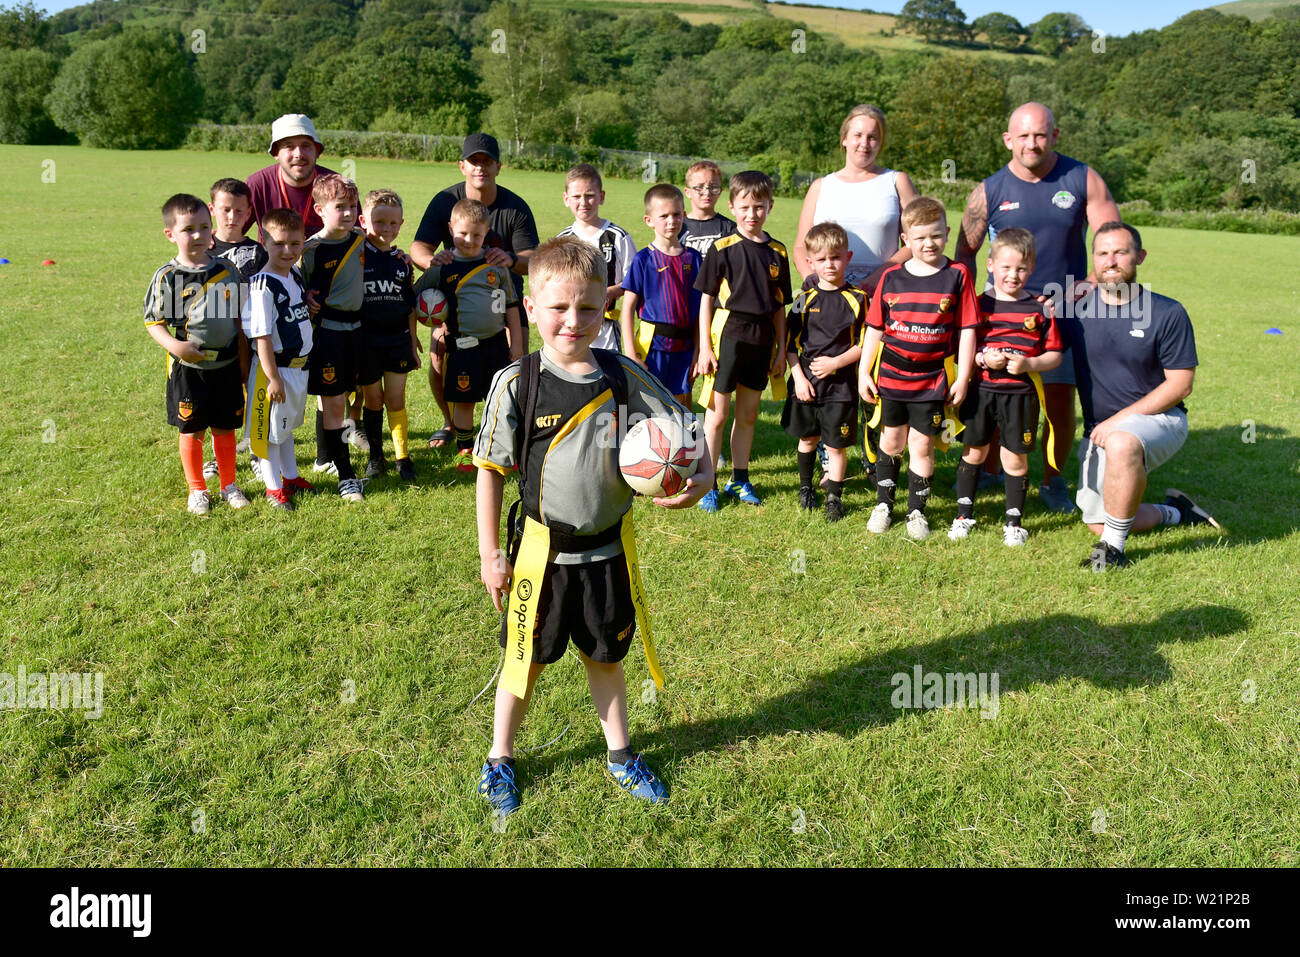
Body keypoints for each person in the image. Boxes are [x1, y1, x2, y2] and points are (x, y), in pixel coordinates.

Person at [472, 237, 713, 816]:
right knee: (523, 659)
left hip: (608, 551)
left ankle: (621, 753)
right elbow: (490, 473)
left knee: (606, 656)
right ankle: (500, 758)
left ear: (603, 308)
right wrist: (490, 554)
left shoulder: (622, 376)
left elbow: (689, 426)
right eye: (558, 308)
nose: (572, 321)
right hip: (539, 555)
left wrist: (702, 477)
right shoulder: (517, 383)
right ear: (531, 308)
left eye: (585, 308)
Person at [955, 102, 1121, 513]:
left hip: (1063, 314)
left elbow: (1114, 246)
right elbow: (964, 255)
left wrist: (1081, 288)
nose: (1032, 143)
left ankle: (1052, 481)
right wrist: (972, 306)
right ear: (1008, 140)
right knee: (994, 396)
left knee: (1060, 404)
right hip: (1001, 316)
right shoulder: (988, 190)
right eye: (1024, 135)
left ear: (1055, 136)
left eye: (1041, 134)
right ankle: (992, 470)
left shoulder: (1083, 178)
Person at [1057, 223, 1219, 570]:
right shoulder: (1077, 312)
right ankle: (1174, 512)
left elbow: (1180, 385)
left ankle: (1112, 552)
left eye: (1121, 252)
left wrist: (1118, 421)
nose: (1111, 261)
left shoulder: (1167, 312)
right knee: (1098, 522)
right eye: (1102, 253)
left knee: (1121, 443)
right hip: (1099, 430)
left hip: (1162, 420)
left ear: (1140, 257)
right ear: (1094, 261)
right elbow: (1046, 349)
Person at [794, 104, 917, 482]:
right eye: (859, 135)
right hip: (831, 296)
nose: (866, 143)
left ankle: (879, 455)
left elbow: (916, 237)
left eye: (874, 136)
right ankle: (831, 450)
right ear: (844, 138)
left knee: (878, 376)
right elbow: (801, 245)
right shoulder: (822, 185)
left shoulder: (896, 181)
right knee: (834, 374)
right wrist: (817, 283)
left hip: (883, 294)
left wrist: (879, 274)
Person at [858, 197, 977, 541]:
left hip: (932, 379)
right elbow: (875, 328)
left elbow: (968, 329)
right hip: (892, 376)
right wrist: (865, 371)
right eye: (920, 237)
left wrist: (964, 376)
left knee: (922, 446)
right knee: (891, 439)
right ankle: (883, 505)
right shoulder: (892, 277)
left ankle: (916, 512)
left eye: (937, 236)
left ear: (947, 233)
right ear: (905, 239)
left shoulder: (957, 274)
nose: (929, 244)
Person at [411, 133, 538, 450]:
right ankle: (450, 424)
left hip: (502, 301)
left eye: (487, 161)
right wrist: (434, 262)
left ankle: (505, 433)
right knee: (441, 365)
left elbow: (532, 258)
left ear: (498, 166)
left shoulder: (515, 207)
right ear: (462, 166)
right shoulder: (445, 202)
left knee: (514, 371)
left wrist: (509, 259)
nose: (480, 167)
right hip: (454, 303)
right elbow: (419, 247)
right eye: (474, 161)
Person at [949, 228, 1063, 546]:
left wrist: (1028, 364)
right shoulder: (977, 305)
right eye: (1006, 267)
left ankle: (1014, 522)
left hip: (1021, 396)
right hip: (981, 391)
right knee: (974, 452)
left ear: (1032, 269)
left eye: (1021, 269)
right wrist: (984, 359)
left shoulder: (1040, 308)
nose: (1013, 275)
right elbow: (962, 349)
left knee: (1014, 458)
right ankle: (963, 515)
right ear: (990, 265)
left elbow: (1054, 355)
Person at [144, 194, 248, 516]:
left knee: (225, 428)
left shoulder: (227, 270)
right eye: (189, 229)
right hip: (188, 369)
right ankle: (197, 489)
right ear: (170, 234)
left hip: (227, 365)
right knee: (192, 429)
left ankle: (229, 484)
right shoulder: (169, 278)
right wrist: (175, 347)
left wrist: (244, 364)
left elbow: (240, 321)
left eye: (205, 226)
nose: (200, 235)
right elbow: (154, 321)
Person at [694, 170, 791, 512]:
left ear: (770, 206)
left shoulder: (778, 251)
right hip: (729, 335)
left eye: (760, 207)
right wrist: (705, 346)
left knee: (748, 414)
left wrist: (780, 349)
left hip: (762, 340)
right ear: (732, 207)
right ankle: (708, 481)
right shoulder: (721, 248)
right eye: (746, 207)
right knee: (717, 415)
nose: (753, 214)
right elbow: (706, 298)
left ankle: (739, 477)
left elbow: (780, 305)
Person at [413, 198, 523, 473]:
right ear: (450, 229)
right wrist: (414, 333)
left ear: (487, 232)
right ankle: (465, 451)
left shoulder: (496, 265)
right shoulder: (442, 266)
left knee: (500, 400)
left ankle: (503, 449)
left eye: (477, 234)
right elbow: (416, 299)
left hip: (497, 345)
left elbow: (511, 306)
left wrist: (517, 344)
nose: (469, 239)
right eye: (462, 233)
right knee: (464, 401)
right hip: (461, 348)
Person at [783, 223, 865, 523]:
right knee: (808, 440)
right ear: (810, 262)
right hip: (808, 384)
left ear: (848, 257)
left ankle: (834, 496)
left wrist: (836, 362)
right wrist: (800, 378)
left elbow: (864, 344)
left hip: (841, 386)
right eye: (822, 259)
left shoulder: (858, 299)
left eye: (836, 257)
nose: (829, 264)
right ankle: (806, 488)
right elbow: (790, 345)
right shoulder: (804, 299)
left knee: (836, 446)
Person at [241, 208, 315, 510]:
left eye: (295, 244)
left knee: (284, 428)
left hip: (298, 368)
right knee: (269, 432)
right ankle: (273, 488)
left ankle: (291, 477)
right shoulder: (262, 286)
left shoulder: (293, 274)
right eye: (279, 244)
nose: (288, 251)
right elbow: (262, 337)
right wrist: (271, 378)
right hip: (274, 370)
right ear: (265, 242)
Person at [299, 173, 366, 502]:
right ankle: (346, 475)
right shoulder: (310, 249)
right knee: (334, 400)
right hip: (326, 334)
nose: (348, 213)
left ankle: (324, 457)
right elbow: (294, 288)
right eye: (340, 207)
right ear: (319, 209)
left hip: (357, 332)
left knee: (339, 397)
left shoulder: (360, 240)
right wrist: (305, 298)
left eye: (352, 206)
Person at [356, 189, 420, 482]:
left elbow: (409, 306)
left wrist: (412, 341)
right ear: (363, 220)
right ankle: (375, 456)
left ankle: (402, 457)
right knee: (373, 399)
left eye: (393, 224)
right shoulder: (355, 257)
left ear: (401, 224)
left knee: (395, 399)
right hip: (366, 342)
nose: (386, 229)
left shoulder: (402, 262)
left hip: (397, 340)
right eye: (379, 222)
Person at [620, 183, 701, 406]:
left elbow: (700, 310)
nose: (671, 221)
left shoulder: (694, 259)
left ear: (684, 215)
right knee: (645, 404)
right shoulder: (643, 259)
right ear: (649, 220)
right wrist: (630, 352)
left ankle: (680, 442)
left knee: (681, 405)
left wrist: (699, 350)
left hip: (685, 348)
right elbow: (627, 308)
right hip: (651, 346)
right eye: (663, 216)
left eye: (676, 214)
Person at [554, 163, 636, 352]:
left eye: (590, 196)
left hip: (605, 327)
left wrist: (610, 292)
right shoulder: (562, 241)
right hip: (570, 326)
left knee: (607, 377)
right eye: (576, 196)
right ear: (566, 199)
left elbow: (633, 282)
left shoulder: (618, 236)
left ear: (602, 197)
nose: (583, 202)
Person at [245, 114, 337, 243]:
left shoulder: (336, 186)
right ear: (276, 153)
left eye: (306, 146)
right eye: (289, 146)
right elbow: (233, 231)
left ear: (316, 150)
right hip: (271, 262)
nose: (298, 154)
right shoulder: (258, 185)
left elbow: (358, 237)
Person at [209, 178, 266, 277]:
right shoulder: (202, 249)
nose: (232, 217)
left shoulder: (258, 252)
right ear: (212, 209)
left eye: (239, 211)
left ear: (248, 213)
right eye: (226, 210)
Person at [679, 160, 736, 257]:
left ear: (720, 191)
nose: (707, 192)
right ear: (687, 192)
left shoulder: (729, 228)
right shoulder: (678, 226)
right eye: (699, 187)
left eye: (713, 187)